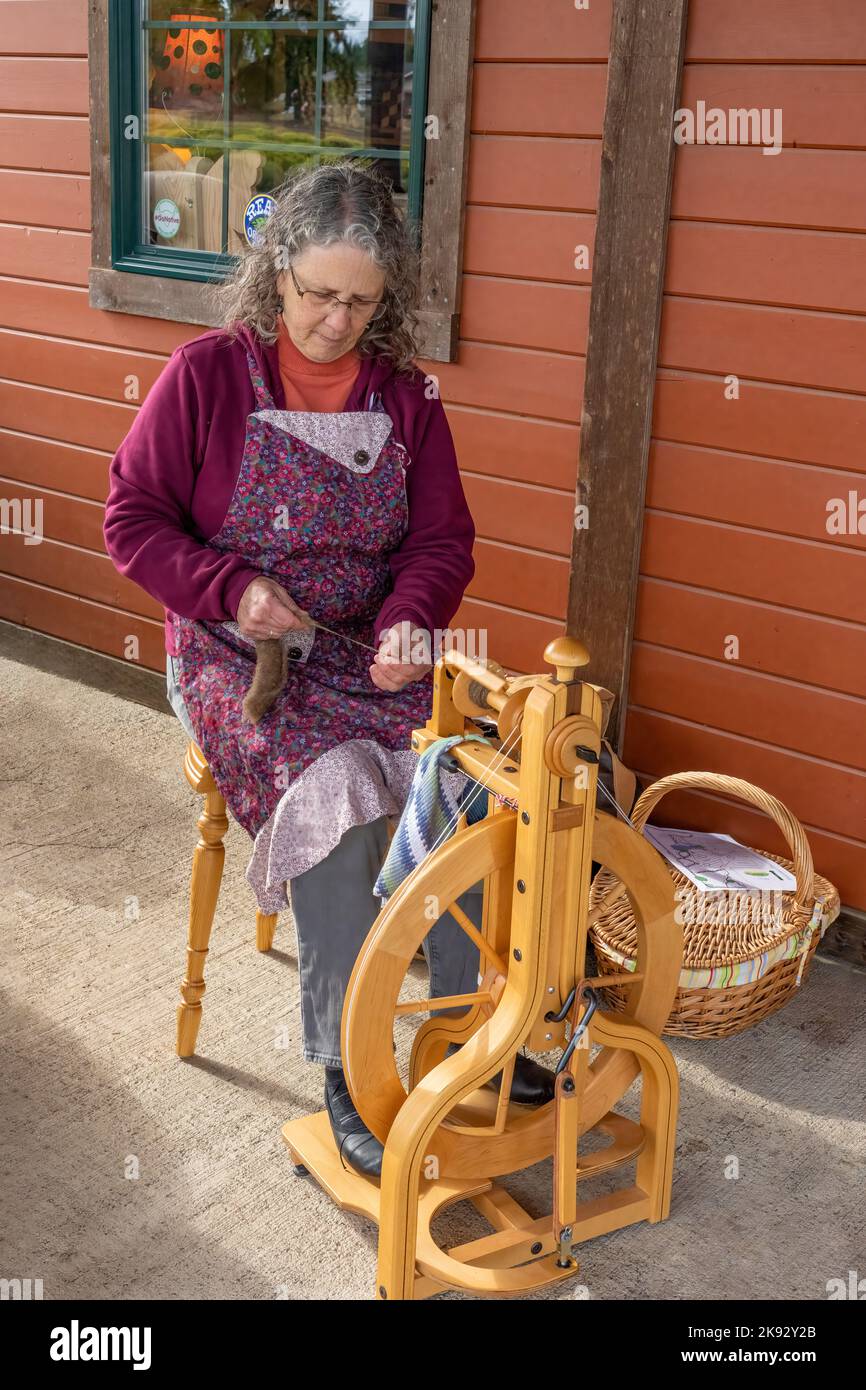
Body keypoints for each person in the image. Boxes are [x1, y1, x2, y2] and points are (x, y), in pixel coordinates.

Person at [103, 159, 554, 1180]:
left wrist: (408, 620)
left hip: (362, 652)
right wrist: (227, 589)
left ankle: (471, 1029)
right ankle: (347, 1064)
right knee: (338, 803)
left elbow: (442, 540)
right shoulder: (205, 375)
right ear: (276, 274)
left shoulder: (407, 399)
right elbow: (129, 521)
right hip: (235, 654)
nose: (334, 322)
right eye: (316, 295)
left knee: (464, 788)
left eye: (360, 302)